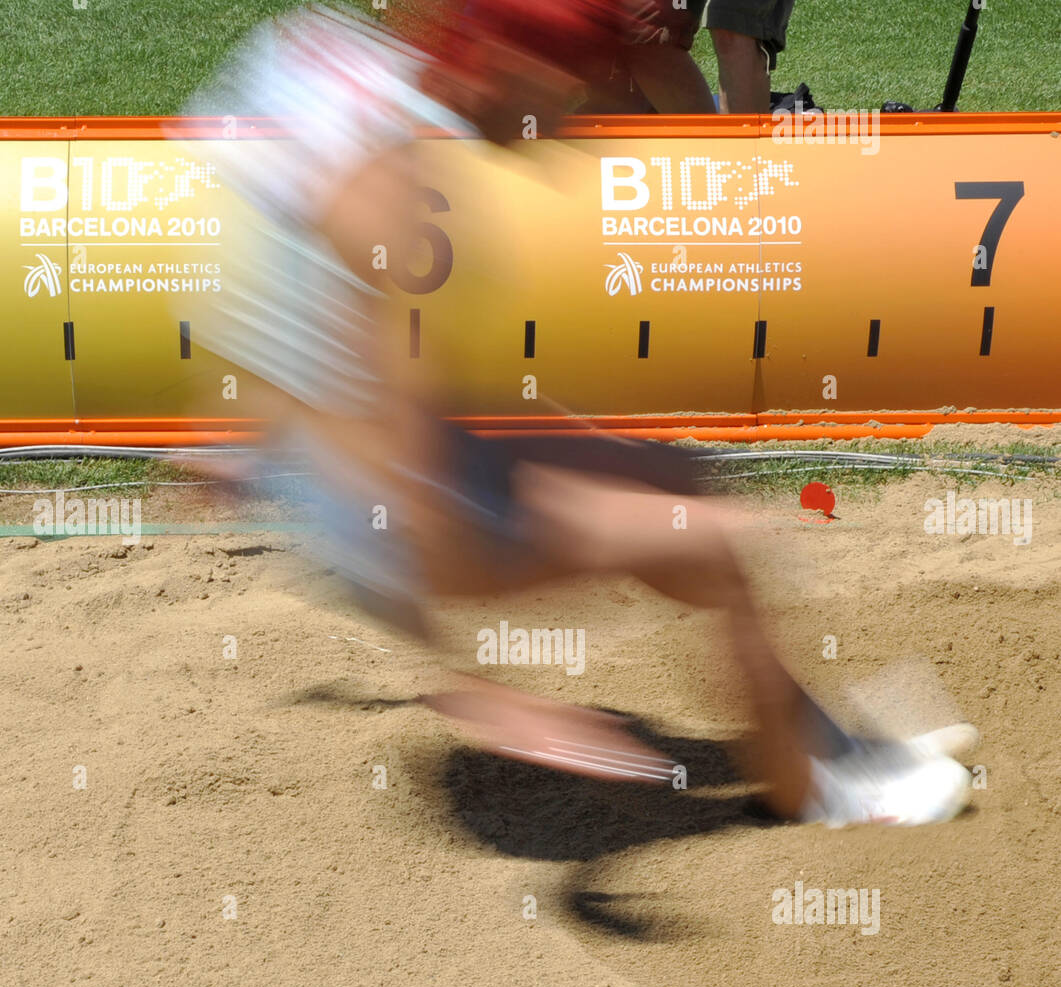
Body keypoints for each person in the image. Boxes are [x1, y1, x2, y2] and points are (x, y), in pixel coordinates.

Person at [178, 0, 976, 826]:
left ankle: (813, 743)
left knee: (678, 472)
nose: (578, 118)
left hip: (342, 460)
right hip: (383, 516)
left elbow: (261, 263)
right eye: (574, 86)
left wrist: (230, 432)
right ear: (502, 63)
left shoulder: (347, 71)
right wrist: (481, 691)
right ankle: (816, 788)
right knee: (716, 543)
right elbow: (400, 479)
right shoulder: (398, 203)